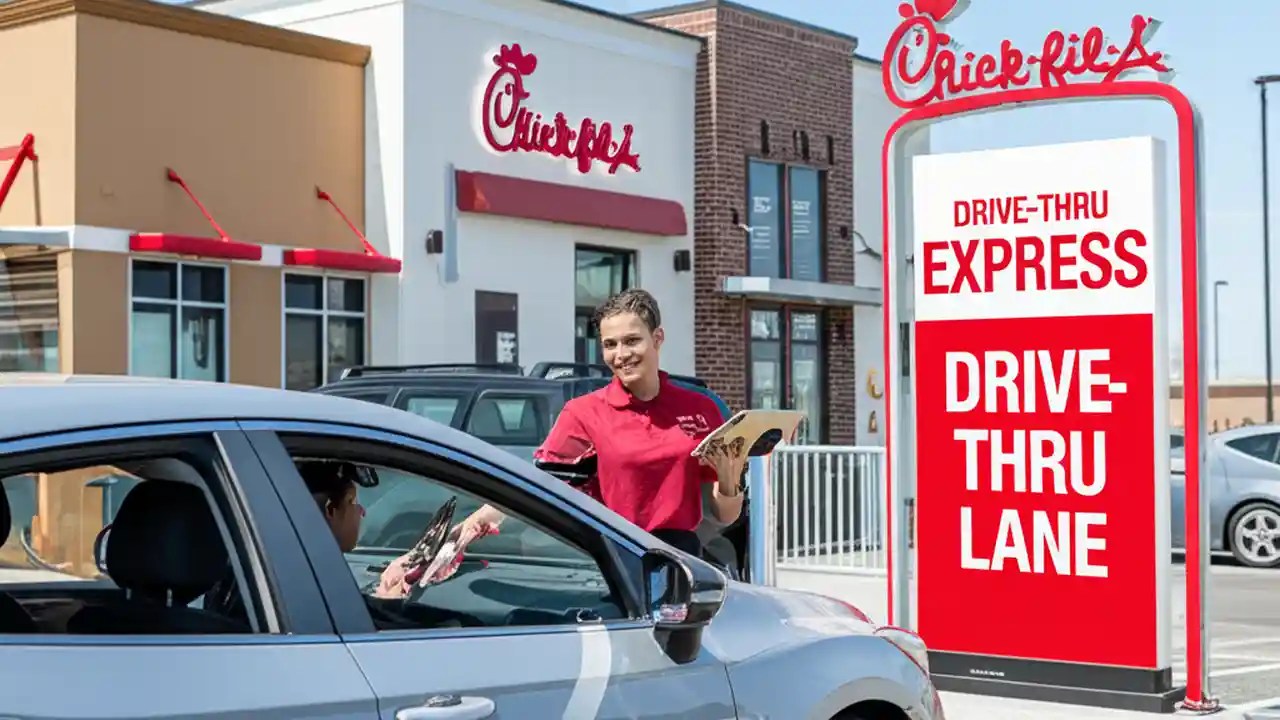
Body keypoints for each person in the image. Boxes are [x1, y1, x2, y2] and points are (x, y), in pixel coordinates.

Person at [452, 288, 745, 557]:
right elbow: (540, 485)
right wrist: (479, 520)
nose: (621, 355)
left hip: (681, 558)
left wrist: (730, 477)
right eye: (610, 344)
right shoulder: (583, 413)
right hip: (613, 560)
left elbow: (723, 515)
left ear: (657, 339)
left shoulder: (700, 408)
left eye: (632, 341)